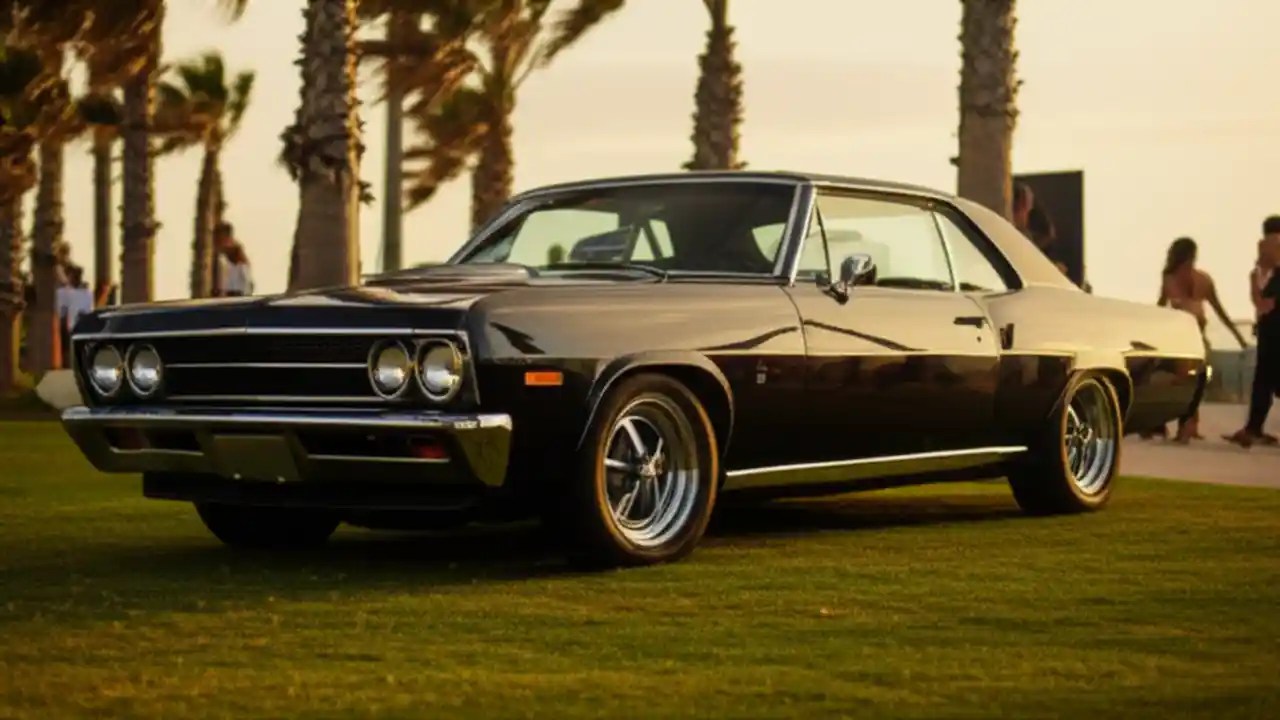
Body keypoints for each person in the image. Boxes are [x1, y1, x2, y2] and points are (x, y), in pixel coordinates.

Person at [1156, 237, 1248, 443]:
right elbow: (1160, 307)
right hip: (1181, 339)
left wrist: (1239, 337)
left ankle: (1186, 428)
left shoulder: (1201, 280)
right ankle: (1184, 426)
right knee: (1186, 381)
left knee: (1191, 382)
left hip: (1194, 339)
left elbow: (1219, 309)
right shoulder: (1170, 279)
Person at [1225, 226, 1280, 447]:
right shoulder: (1256, 274)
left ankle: (1253, 428)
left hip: (1276, 333)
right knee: (1262, 382)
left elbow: (1265, 304)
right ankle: (1253, 428)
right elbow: (1258, 303)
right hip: (1267, 334)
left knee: (1269, 381)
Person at [55, 264, 94, 366]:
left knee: (69, 356)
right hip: (84, 328)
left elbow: (60, 312)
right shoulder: (87, 293)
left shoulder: (64, 292)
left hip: (70, 329)